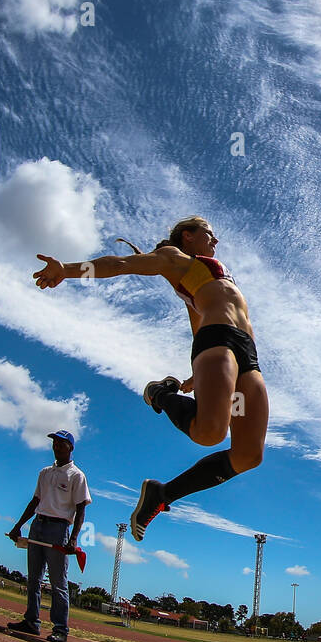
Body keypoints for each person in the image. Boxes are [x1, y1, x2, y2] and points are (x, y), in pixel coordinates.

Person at [34, 217, 269, 542]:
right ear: (187, 236)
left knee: (248, 454)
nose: (216, 242)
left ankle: (161, 494)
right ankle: (160, 395)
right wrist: (68, 270)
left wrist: (196, 375)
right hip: (219, 341)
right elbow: (119, 264)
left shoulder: (214, 273)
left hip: (246, 355)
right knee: (210, 432)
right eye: (209, 235)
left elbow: (195, 322)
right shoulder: (174, 259)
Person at [7, 430, 92, 642]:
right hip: (38, 525)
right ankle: (31, 621)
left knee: (58, 582)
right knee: (34, 578)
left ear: (71, 447)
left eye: (61, 443)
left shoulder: (77, 476)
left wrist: (73, 539)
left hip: (59, 529)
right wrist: (19, 526)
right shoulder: (45, 472)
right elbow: (35, 501)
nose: (56, 446)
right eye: (54, 442)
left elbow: (81, 509)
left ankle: (61, 629)